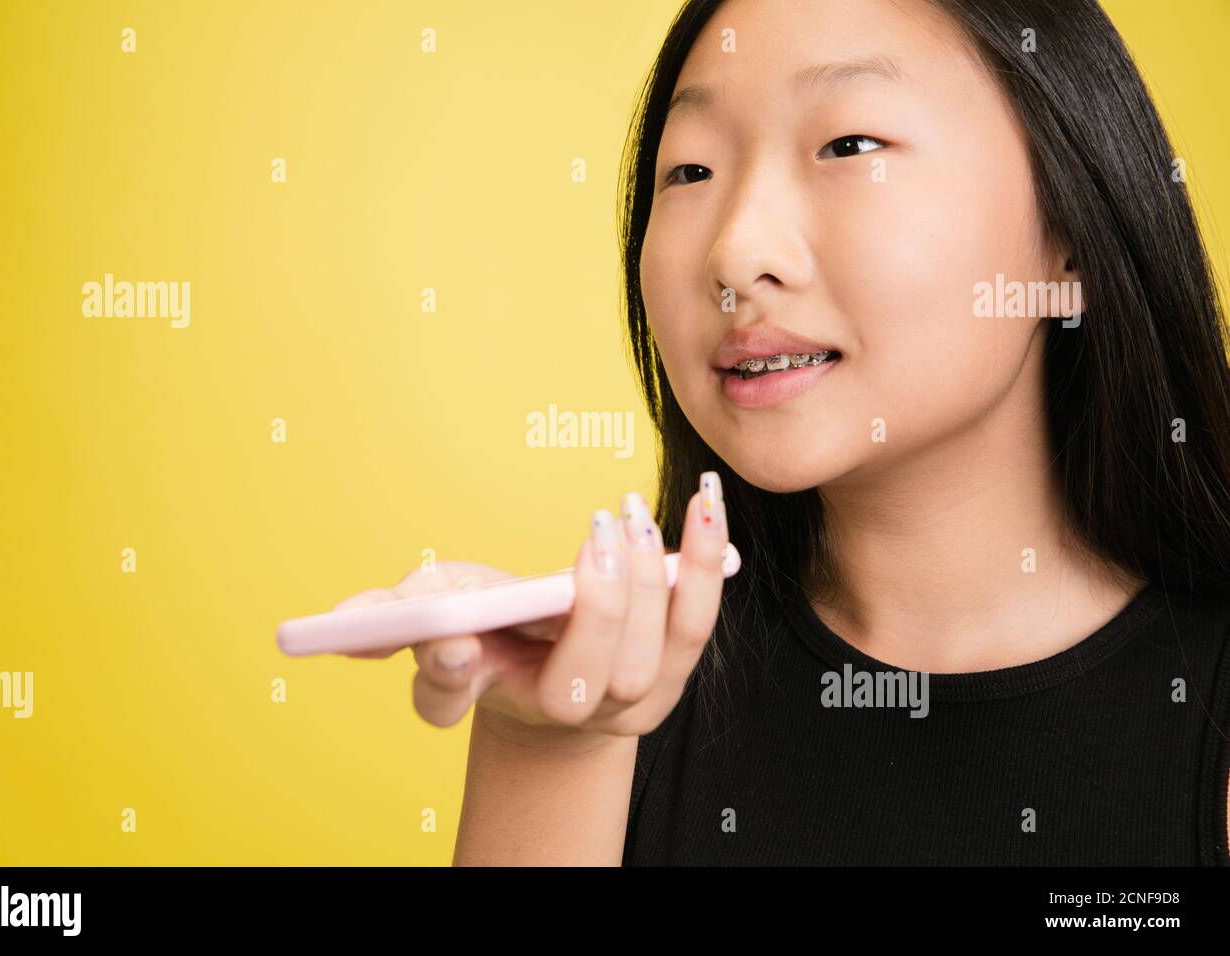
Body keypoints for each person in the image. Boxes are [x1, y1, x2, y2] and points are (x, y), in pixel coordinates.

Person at [336, 0, 1230, 865]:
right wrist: (549, 750)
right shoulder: (612, 709)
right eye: (690, 172)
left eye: (850, 146)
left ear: (1069, 233)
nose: (735, 253)